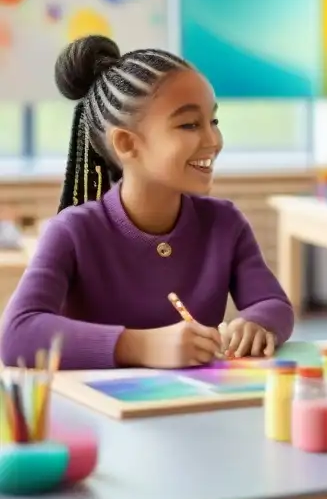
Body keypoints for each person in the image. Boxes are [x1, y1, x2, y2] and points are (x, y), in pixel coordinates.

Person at [0, 36, 294, 370]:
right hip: (96, 416)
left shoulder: (225, 224)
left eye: (213, 121)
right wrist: (140, 346)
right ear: (126, 143)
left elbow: (272, 302)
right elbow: (16, 335)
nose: (214, 141)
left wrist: (256, 323)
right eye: (189, 124)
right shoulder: (72, 231)